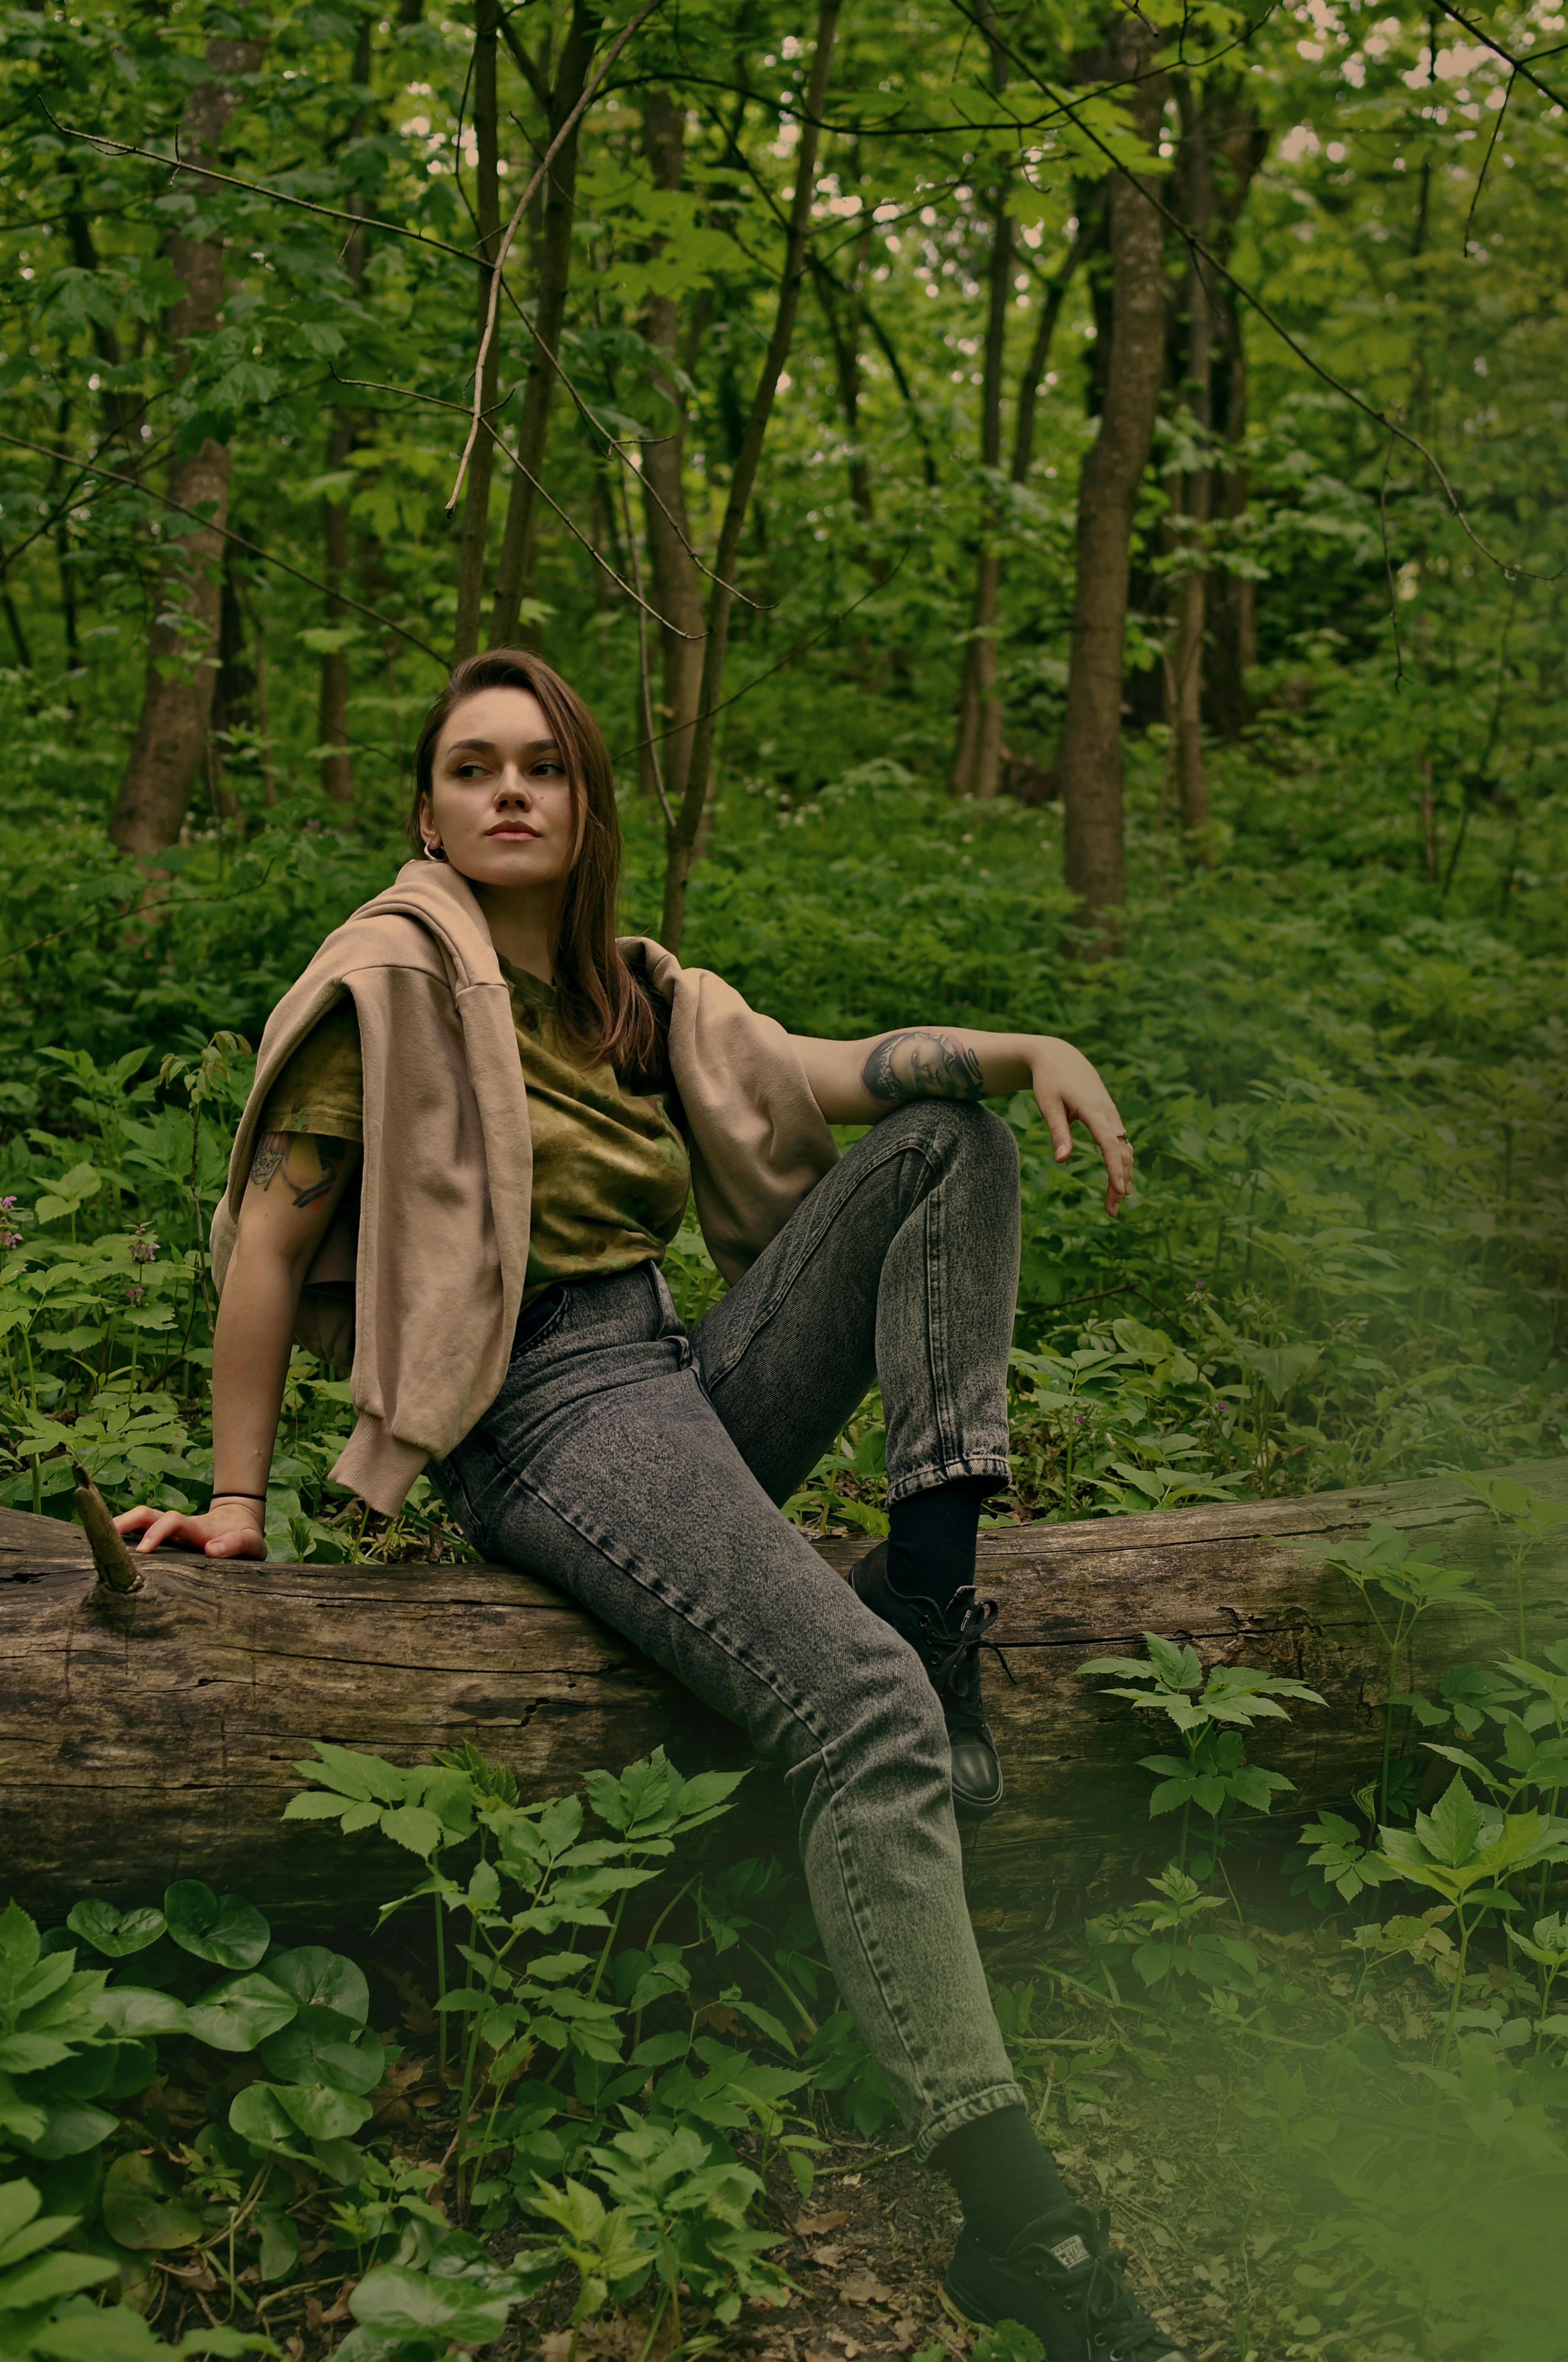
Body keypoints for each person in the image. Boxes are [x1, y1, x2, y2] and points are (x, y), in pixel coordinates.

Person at [116, 650, 1187, 2362]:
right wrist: (236, 1499)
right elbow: (269, 1232)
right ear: (427, 811)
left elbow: (824, 1075)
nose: (511, 792)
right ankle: (1019, 2225)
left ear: (589, 798)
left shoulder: (637, 992)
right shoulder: (388, 980)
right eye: (473, 769)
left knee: (946, 1141)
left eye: (543, 764)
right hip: (538, 1409)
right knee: (859, 1716)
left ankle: (929, 1595)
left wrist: (1022, 1042)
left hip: (674, 1366)